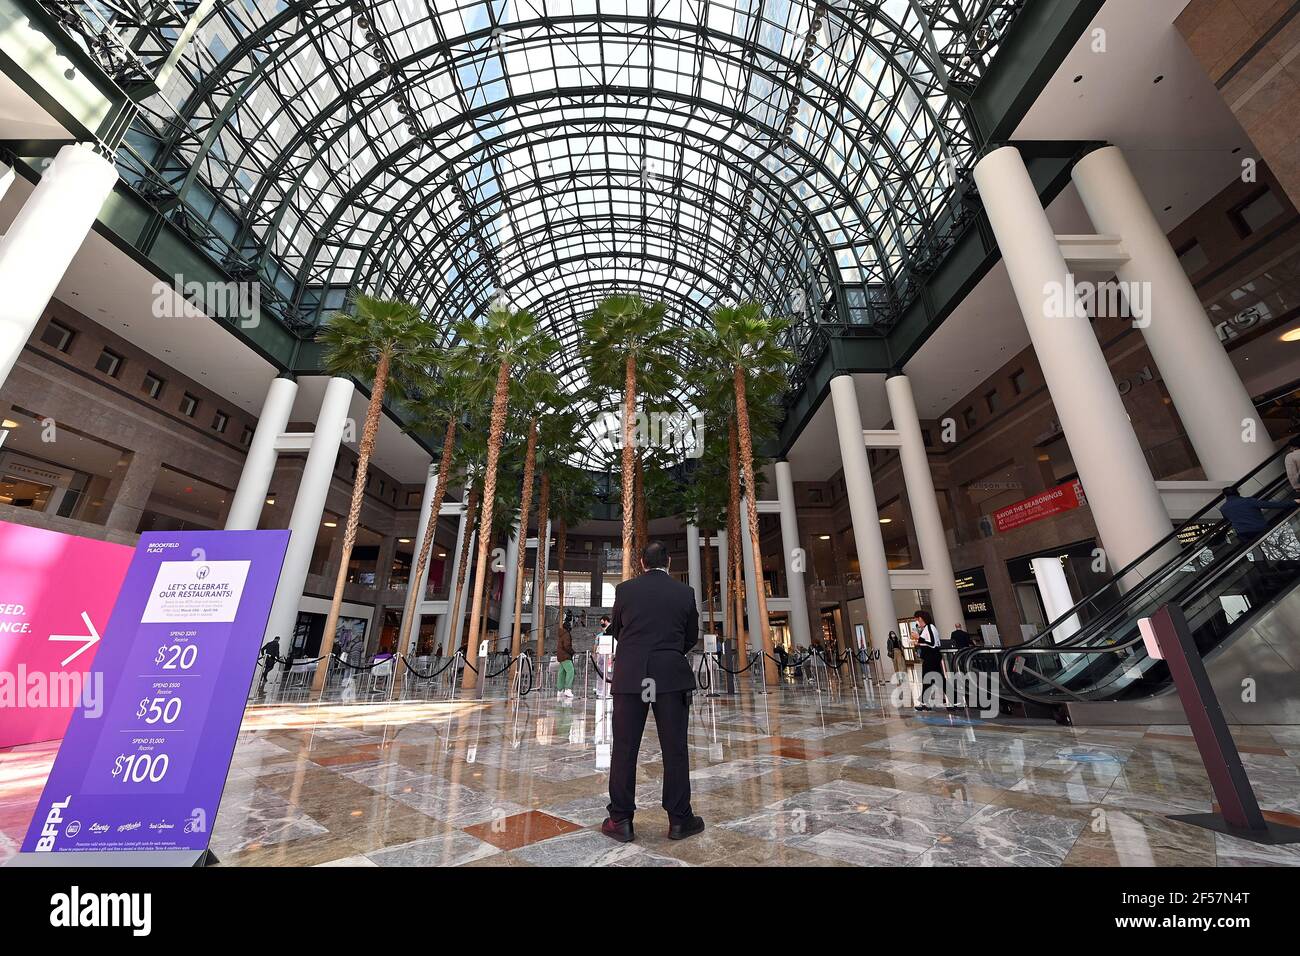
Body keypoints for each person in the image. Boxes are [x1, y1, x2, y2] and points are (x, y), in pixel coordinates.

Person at [601, 541, 704, 844]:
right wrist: (667, 653)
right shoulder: (685, 593)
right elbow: (690, 636)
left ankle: (620, 820)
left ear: (642, 563)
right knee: (674, 749)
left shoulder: (625, 590)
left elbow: (618, 629)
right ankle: (679, 819)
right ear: (668, 562)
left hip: (631, 676)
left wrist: (638, 652)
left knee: (624, 748)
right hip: (670, 676)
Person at [1220, 485, 1294, 546]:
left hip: (1243, 534)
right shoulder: (1248, 501)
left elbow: (1228, 519)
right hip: (1260, 530)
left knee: (1253, 550)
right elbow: (1272, 505)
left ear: (1225, 496)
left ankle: (1260, 563)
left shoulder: (1223, 508)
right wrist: (1293, 503)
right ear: (1238, 493)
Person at [912, 609, 943, 711]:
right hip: (931, 657)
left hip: (932, 657)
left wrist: (919, 638)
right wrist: (919, 642)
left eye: (917, 619)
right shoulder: (927, 628)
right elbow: (928, 642)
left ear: (921, 618)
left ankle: (956, 701)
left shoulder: (930, 627)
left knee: (933, 679)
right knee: (931, 680)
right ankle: (924, 703)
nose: (917, 622)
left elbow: (933, 643)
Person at [555, 622, 575, 702]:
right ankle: (568, 689)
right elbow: (567, 646)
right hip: (565, 655)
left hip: (560, 655)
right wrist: (572, 652)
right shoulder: (566, 634)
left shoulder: (561, 634)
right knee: (571, 671)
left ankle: (560, 690)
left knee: (561, 672)